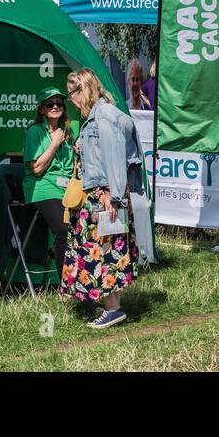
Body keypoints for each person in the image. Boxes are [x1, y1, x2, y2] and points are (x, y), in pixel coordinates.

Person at [61, 67, 143, 328]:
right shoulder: (99, 116)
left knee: (104, 252)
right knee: (105, 251)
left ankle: (113, 309)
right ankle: (112, 306)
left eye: (71, 93)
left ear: (83, 90)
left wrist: (114, 196)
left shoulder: (104, 117)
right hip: (102, 194)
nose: (70, 99)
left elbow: (115, 158)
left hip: (104, 197)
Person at [23, 87, 75, 269]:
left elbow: (72, 166)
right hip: (43, 188)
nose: (55, 106)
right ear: (42, 109)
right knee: (64, 230)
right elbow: (36, 168)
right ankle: (65, 288)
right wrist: (54, 144)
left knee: (89, 221)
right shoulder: (35, 131)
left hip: (68, 189)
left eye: (59, 103)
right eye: (50, 104)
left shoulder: (68, 132)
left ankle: (56, 249)